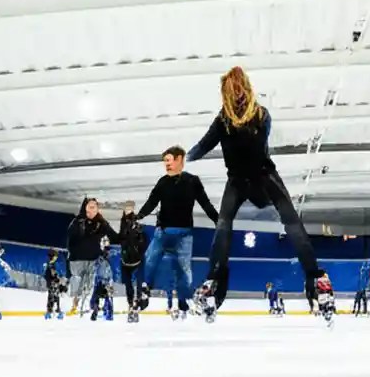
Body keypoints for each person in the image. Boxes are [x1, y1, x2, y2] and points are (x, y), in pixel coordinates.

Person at [186, 67, 320, 313]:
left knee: (287, 220)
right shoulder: (228, 120)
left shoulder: (255, 116)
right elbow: (203, 146)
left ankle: (315, 277)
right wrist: (183, 160)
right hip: (245, 180)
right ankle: (215, 281)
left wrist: (187, 158)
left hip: (259, 178)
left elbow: (208, 146)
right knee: (225, 224)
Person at [135, 146, 219, 315]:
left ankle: (184, 299)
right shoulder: (162, 182)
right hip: (163, 231)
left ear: (180, 159)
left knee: (184, 268)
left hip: (184, 234)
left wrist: (218, 221)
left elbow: (205, 203)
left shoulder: (193, 181)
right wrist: (138, 216)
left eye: (169, 160)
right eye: (165, 161)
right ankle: (145, 289)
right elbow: (151, 202)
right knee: (150, 258)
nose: (166, 164)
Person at [66, 197, 119, 317]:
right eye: (89, 206)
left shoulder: (101, 223)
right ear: (85, 208)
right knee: (77, 282)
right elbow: (69, 239)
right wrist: (72, 252)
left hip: (92, 258)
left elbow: (114, 236)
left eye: (94, 207)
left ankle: (85, 306)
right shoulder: (77, 222)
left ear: (97, 209)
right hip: (77, 259)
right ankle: (75, 305)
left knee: (89, 284)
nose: (92, 209)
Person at [118, 201, 148, 319]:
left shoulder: (137, 237)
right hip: (131, 261)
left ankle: (132, 303)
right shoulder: (136, 236)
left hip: (132, 261)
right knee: (131, 285)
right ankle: (129, 214)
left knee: (131, 285)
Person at [43, 249, 66, 320]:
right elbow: (51, 274)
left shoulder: (51, 263)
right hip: (52, 282)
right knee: (53, 296)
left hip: (52, 282)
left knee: (53, 296)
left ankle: (53, 311)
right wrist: (56, 279)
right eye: (55, 255)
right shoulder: (51, 264)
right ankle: (52, 311)